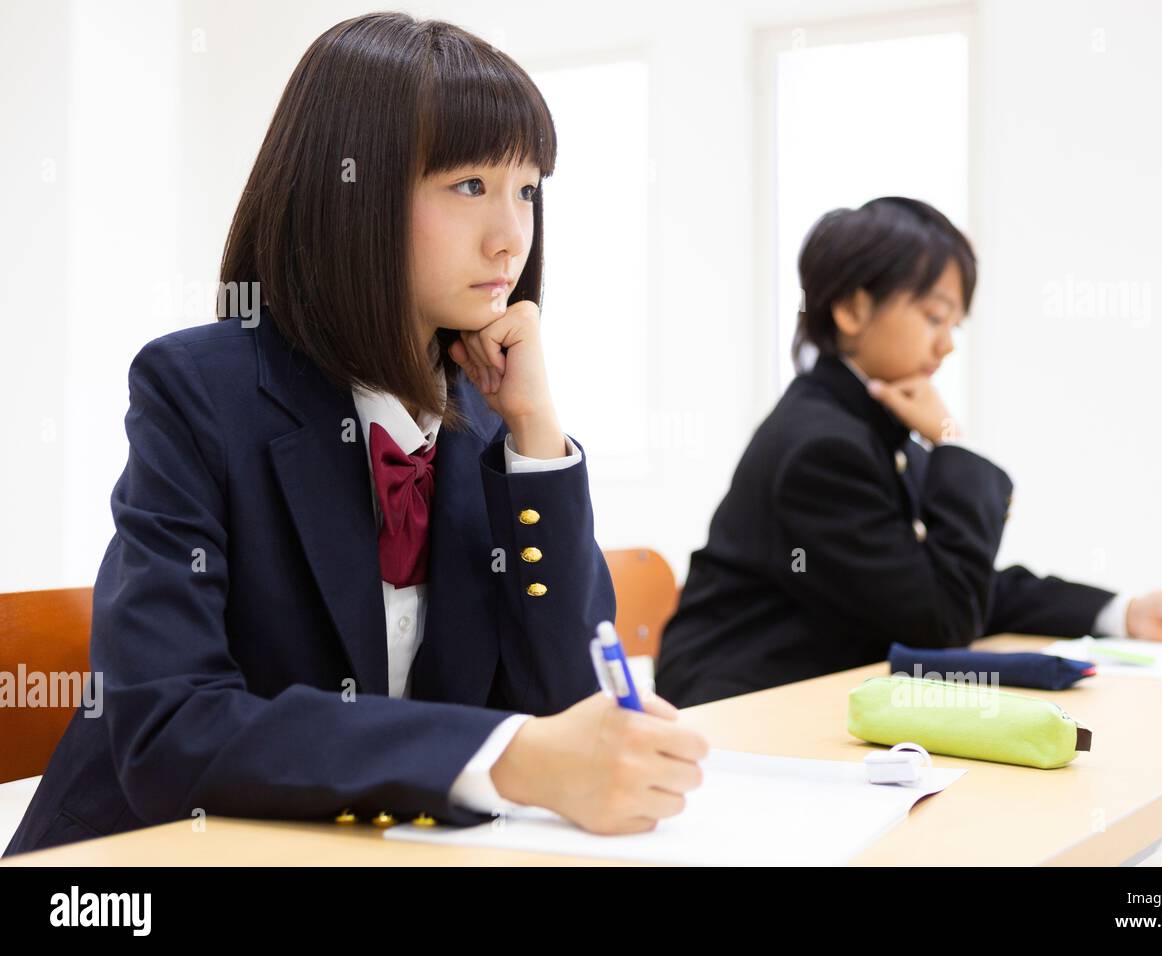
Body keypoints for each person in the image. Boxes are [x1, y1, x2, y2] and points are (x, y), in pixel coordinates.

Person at [6, 13, 706, 856]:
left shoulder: (489, 417)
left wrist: (536, 442)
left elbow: (565, 704)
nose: (511, 235)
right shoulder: (200, 391)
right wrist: (510, 758)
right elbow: (171, 729)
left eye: (528, 188)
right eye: (469, 186)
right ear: (352, 193)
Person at [655, 196, 1162, 707]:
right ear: (852, 310)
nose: (947, 344)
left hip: (812, 698)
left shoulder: (869, 426)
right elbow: (940, 618)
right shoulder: (824, 447)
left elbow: (962, 587)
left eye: (954, 323)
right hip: (742, 711)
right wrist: (952, 441)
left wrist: (1126, 612)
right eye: (933, 316)